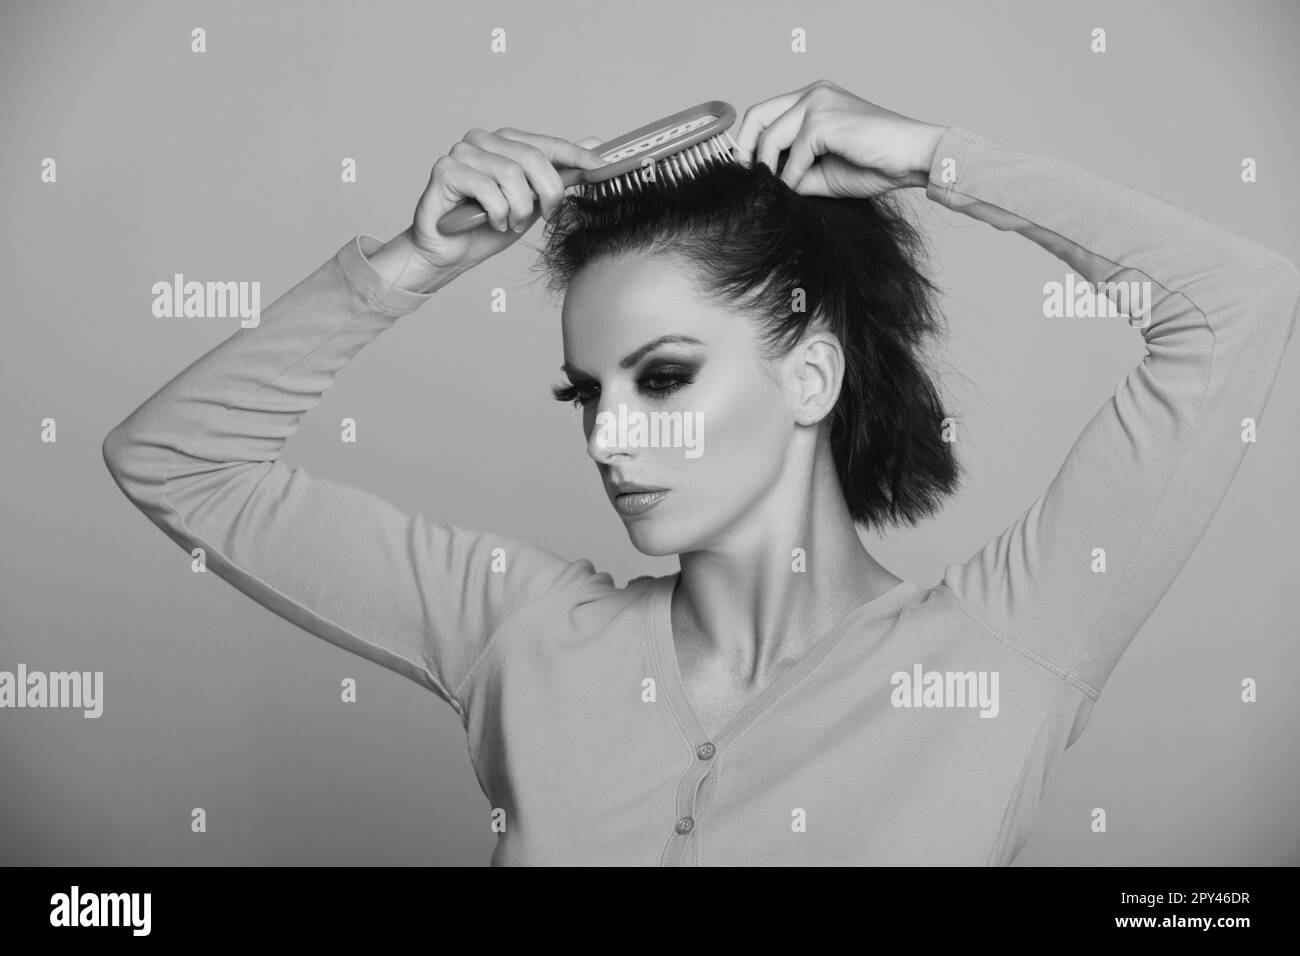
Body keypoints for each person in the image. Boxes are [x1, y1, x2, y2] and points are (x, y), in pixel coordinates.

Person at [102, 80, 1300, 865]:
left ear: (810, 375)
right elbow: (175, 460)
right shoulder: (520, 633)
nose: (609, 437)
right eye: (588, 392)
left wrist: (938, 156)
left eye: (662, 376)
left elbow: (1239, 303)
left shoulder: (1002, 653)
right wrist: (416, 257)